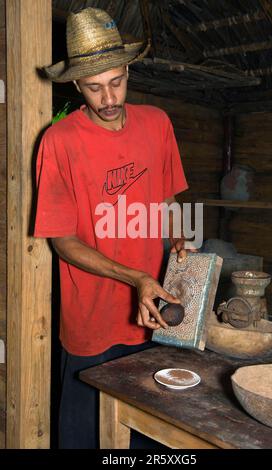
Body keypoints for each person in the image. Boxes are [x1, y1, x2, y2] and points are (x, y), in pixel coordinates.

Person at [34, 7, 191, 449]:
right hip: (92, 319)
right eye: (94, 88)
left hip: (154, 315)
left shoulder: (157, 123)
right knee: (85, 434)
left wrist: (178, 235)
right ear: (75, 84)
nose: (108, 99)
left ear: (128, 69)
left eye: (116, 82)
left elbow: (168, 201)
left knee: (148, 435)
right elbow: (61, 240)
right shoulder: (58, 141)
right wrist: (135, 277)